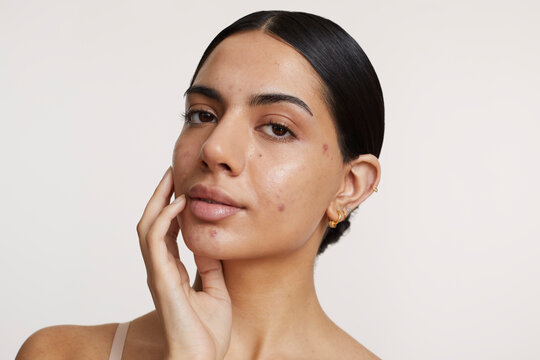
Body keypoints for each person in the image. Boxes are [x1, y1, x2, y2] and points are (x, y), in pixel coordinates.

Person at [16, 10, 384, 359]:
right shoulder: (60, 353)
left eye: (277, 128)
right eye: (202, 115)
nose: (214, 147)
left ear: (349, 186)